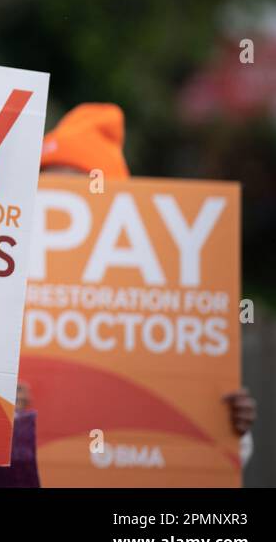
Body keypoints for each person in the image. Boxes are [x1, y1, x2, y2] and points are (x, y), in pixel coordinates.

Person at [38, 102, 257, 464]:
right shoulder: (5, 303)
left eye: (75, 198)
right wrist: (3, 415)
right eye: (49, 198)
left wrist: (230, 429)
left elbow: (192, 461)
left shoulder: (157, 311)